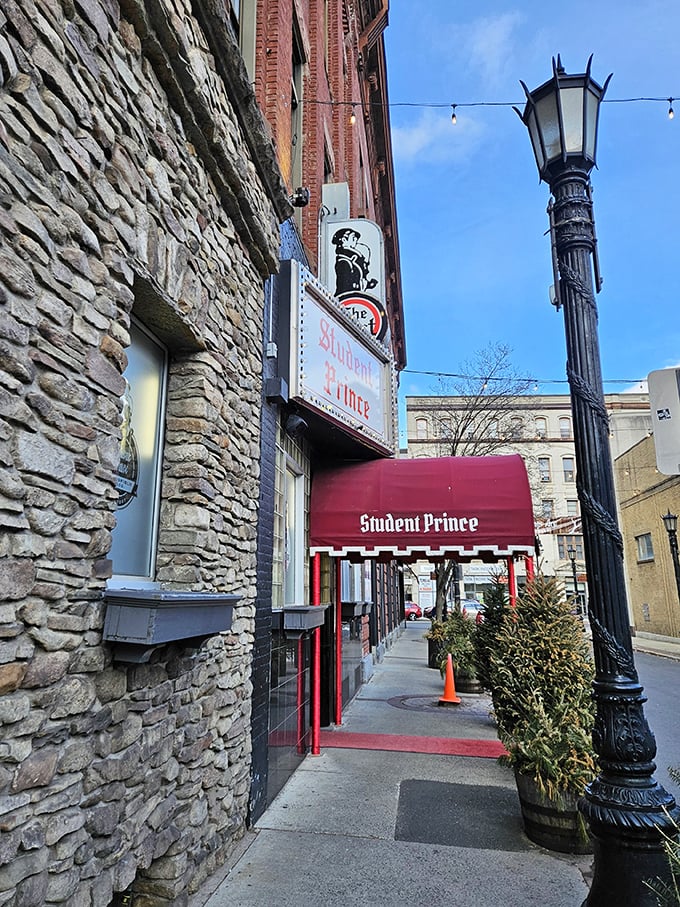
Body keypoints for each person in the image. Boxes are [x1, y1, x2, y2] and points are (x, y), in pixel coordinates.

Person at [331, 227, 378, 296]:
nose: (356, 240)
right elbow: (345, 285)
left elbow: (357, 278)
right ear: (344, 240)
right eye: (353, 237)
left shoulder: (354, 259)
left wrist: (368, 284)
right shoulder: (344, 261)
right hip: (346, 300)